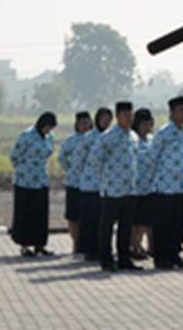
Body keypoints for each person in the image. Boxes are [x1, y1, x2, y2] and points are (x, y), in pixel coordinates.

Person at [92, 101, 140, 272]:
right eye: (126, 115)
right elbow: (95, 160)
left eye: (131, 115)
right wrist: (107, 177)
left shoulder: (133, 136)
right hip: (112, 189)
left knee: (126, 226)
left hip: (129, 189)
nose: (129, 118)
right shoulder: (108, 136)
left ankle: (124, 258)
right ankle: (106, 259)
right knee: (107, 225)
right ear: (118, 116)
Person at [149, 96, 183, 269]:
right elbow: (153, 157)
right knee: (162, 224)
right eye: (180, 110)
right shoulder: (163, 133)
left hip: (179, 186)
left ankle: (174, 255)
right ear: (172, 113)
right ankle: (161, 257)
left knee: (176, 225)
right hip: (164, 186)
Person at [9, 111, 56, 257]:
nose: (49, 130)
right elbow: (14, 156)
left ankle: (39, 244)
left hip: (41, 180)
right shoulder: (27, 135)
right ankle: (24, 245)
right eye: (47, 126)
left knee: (40, 215)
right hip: (25, 181)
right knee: (25, 214)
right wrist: (23, 169)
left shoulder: (50, 138)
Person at [74, 106, 110, 260]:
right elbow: (78, 160)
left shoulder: (111, 136)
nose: (105, 122)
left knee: (103, 220)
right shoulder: (88, 137)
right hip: (89, 184)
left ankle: (102, 249)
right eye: (103, 118)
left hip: (106, 185)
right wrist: (85, 175)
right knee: (89, 219)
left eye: (108, 119)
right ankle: (89, 250)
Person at [57, 111, 92, 254]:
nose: (84, 126)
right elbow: (61, 157)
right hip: (74, 182)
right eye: (81, 123)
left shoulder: (95, 138)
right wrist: (71, 168)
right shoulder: (71, 140)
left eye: (86, 123)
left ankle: (87, 242)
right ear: (76, 125)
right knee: (73, 216)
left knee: (89, 215)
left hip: (91, 184)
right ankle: (76, 243)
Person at [130, 108, 155, 260]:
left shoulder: (152, 140)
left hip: (149, 187)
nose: (147, 127)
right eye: (144, 124)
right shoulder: (132, 139)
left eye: (149, 124)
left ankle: (144, 246)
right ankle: (135, 246)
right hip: (134, 187)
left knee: (146, 220)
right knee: (135, 221)